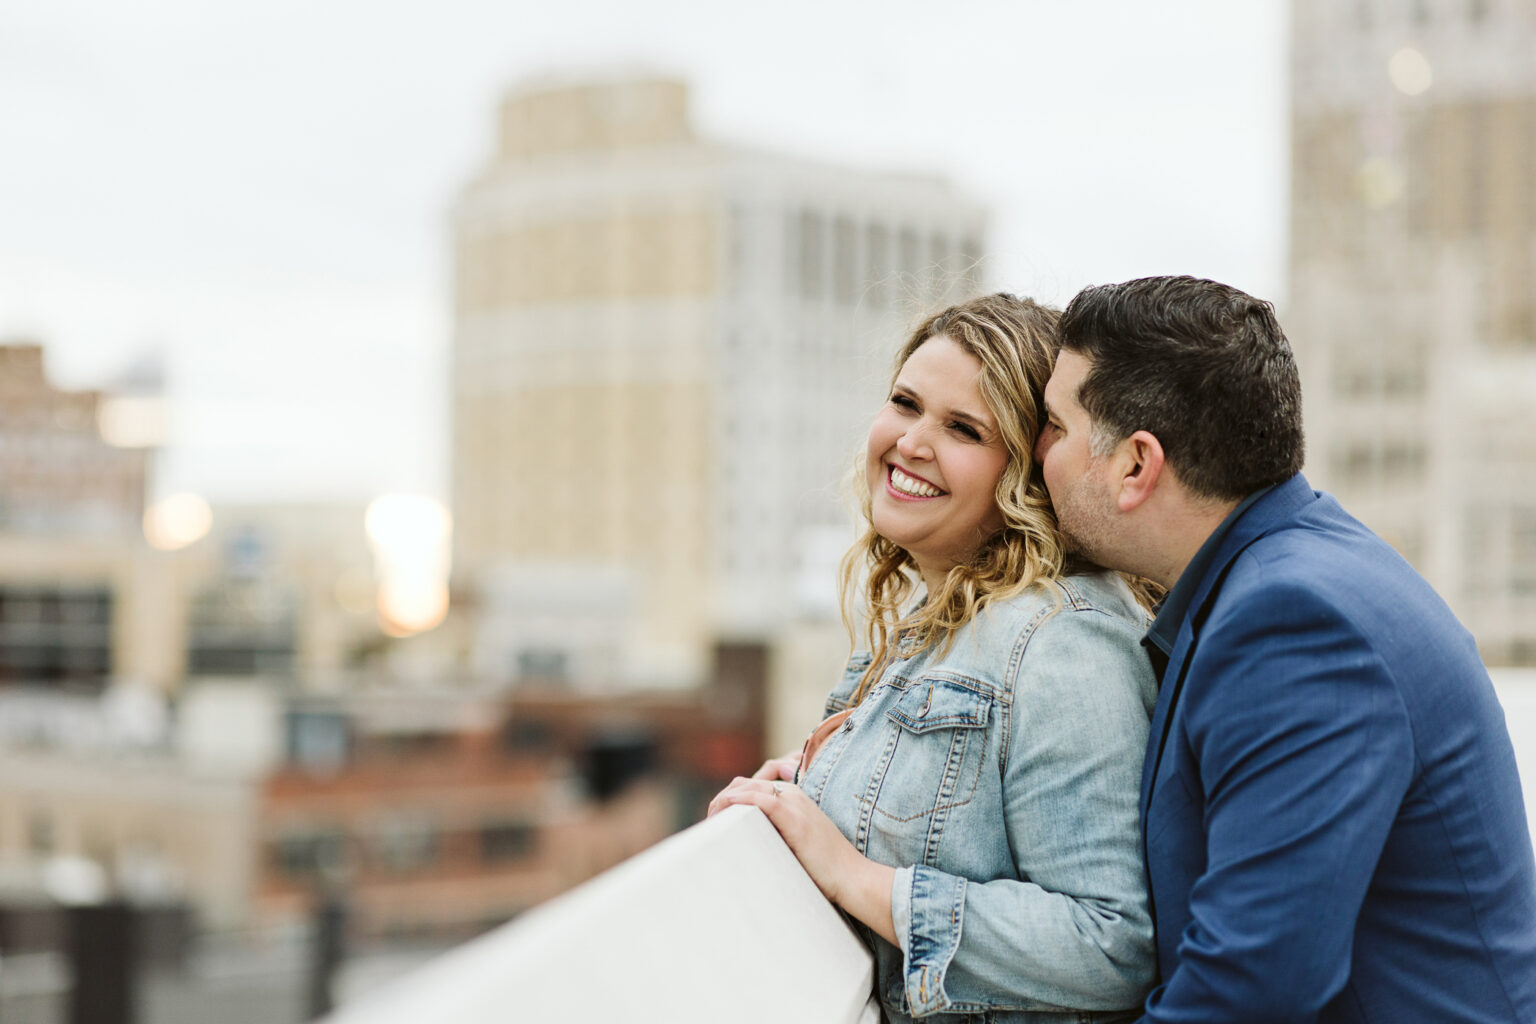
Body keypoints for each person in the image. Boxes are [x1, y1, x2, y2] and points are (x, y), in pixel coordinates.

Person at [1034, 274, 1536, 1023]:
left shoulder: (1291, 623)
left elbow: (1252, 986)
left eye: (1053, 425)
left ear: (1136, 465)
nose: (1035, 451)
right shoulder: (1291, 569)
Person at [710, 293, 1158, 1023]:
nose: (912, 442)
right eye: (905, 403)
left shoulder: (1063, 640)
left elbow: (1111, 944)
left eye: (963, 429)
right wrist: (816, 780)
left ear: (1027, 472)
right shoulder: (939, 623)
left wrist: (853, 875)